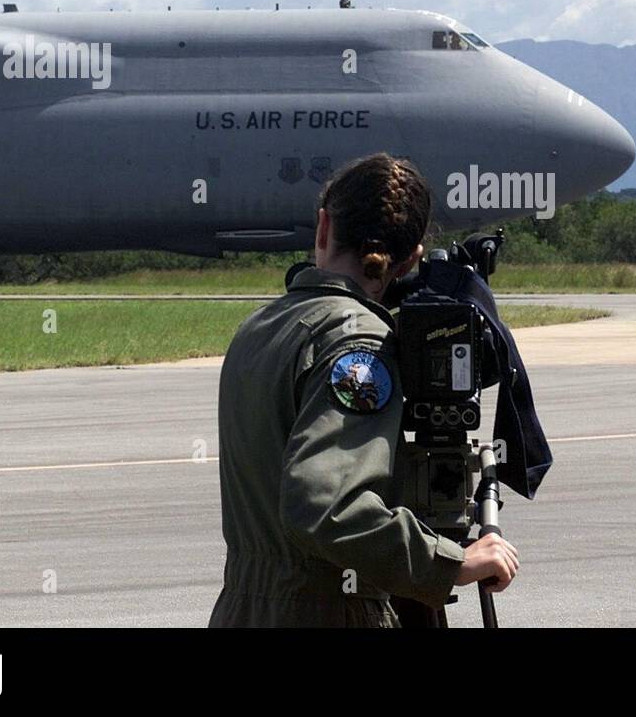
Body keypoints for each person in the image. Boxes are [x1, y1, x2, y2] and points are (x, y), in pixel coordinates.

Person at [208, 153, 519, 627]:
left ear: (323, 229)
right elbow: (325, 504)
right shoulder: (357, 343)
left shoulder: (262, 326)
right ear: (412, 258)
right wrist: (449, 563)